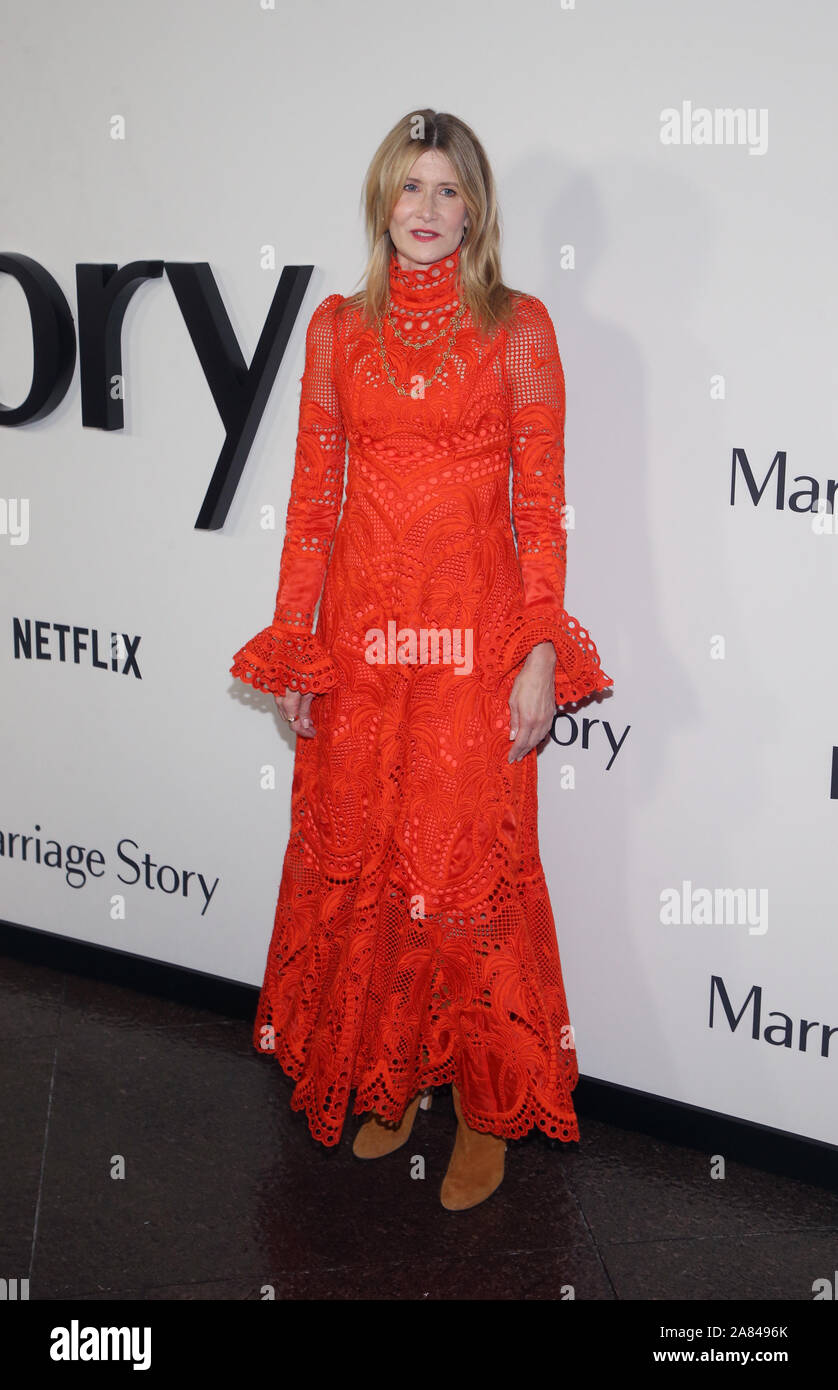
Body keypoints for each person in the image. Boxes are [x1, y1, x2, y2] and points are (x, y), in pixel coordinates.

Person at [230, 109, 613, 1211]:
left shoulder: (520, 329)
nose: (428, 212)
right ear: (380, 200)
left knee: (466, 882)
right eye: (410, 189)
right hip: (357, 643)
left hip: (468, 647)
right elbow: (312, 503)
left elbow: (539, 509)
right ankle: (391, 1079)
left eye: (448, 191)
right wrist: (297, 646)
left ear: (476, 207)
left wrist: (538, 649)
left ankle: (487, 1108)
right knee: (375, 870)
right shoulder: (335, 329)